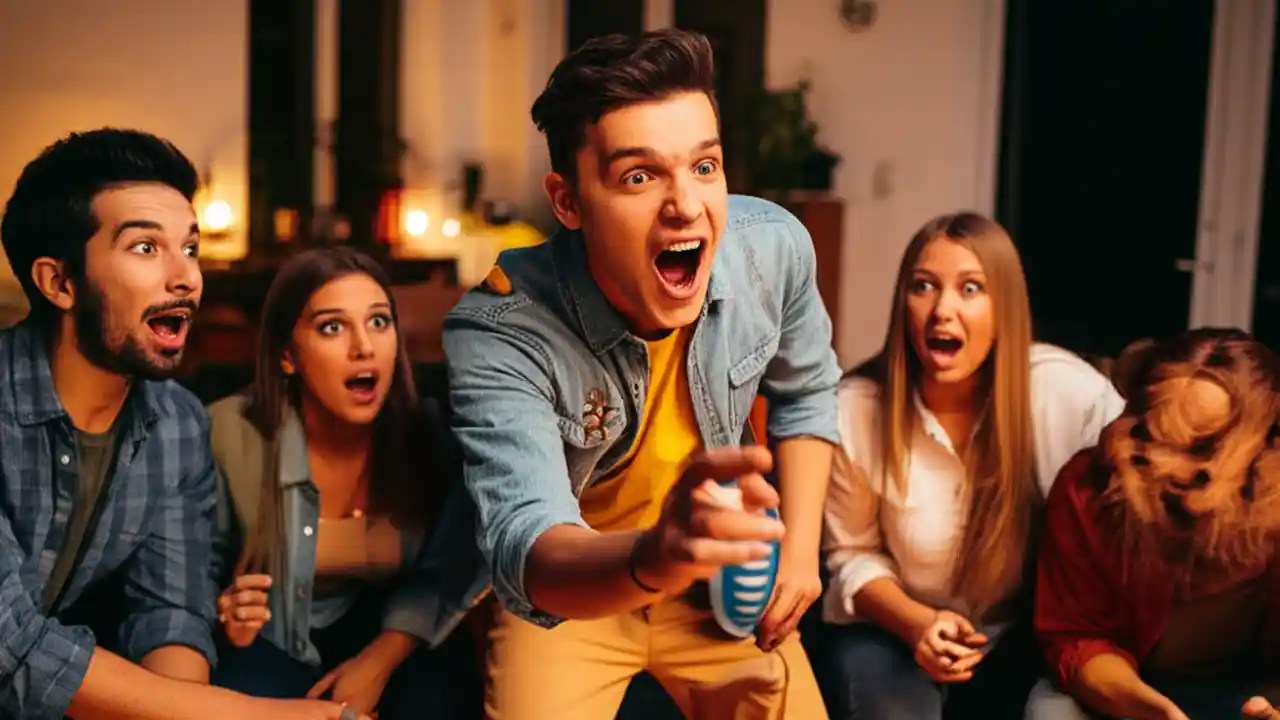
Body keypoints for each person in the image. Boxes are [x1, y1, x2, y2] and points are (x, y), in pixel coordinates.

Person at [434, 28, 841, 719]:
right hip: (577, 600)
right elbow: (528, 543)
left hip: (712, 590)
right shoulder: (498, 330)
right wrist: (655, 554)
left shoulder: (773, 251)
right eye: (640, 176)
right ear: (567, 202)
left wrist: (799, 555)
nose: (686, 205)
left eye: (704, 167)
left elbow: (805, 393)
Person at [0, 128, 358, 719]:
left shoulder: (176, 424)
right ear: (59, 282)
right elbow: (13, 649)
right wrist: (254, 716)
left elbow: (169, 612)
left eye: (188, 248)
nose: (186, 277)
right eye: (146, 248)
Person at [816, 212, 1125, 719]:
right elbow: (851, 556)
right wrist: (917, 624)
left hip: (1024, 635)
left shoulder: (1065, 393)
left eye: (971, 288)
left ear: (1005, 305)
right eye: (924, 286)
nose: (942, 310)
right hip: (894, 631)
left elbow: (1138, 490)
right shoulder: (855, 409)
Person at [206, 246, 481, 718]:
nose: (364, 347)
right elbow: (191, 571)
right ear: (288, 356)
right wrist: (224, 612)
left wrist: (377, 663)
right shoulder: (228, 432)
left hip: (392, 633)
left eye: (379, 322)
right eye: (332, 327)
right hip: (270, 637)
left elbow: (449, 573)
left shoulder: (435, 437)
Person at [1029, 328, 1280, 720]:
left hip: (1251, 694)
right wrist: (1150, 709)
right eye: (1152, 434)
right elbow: (1075, 637)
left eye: (1201, 446)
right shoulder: (1087, 488)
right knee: (1052, 712)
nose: (1164, 464)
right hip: (1132, 689)